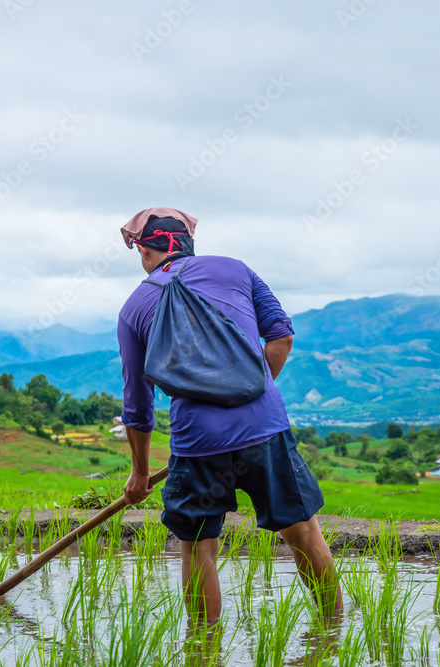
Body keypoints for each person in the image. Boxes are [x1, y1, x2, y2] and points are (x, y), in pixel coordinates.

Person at [116, 207, 341, 619]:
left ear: (147, 251)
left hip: (198, 444)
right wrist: (249, 389)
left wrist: (140, 473)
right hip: (264, 428)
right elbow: (281, 336)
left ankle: (203, 652)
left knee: (198, 544)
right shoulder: (236, 270)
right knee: (303, 531)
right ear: (189, 244)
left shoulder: (134, 308)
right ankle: (334, 636)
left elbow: (138, 406)